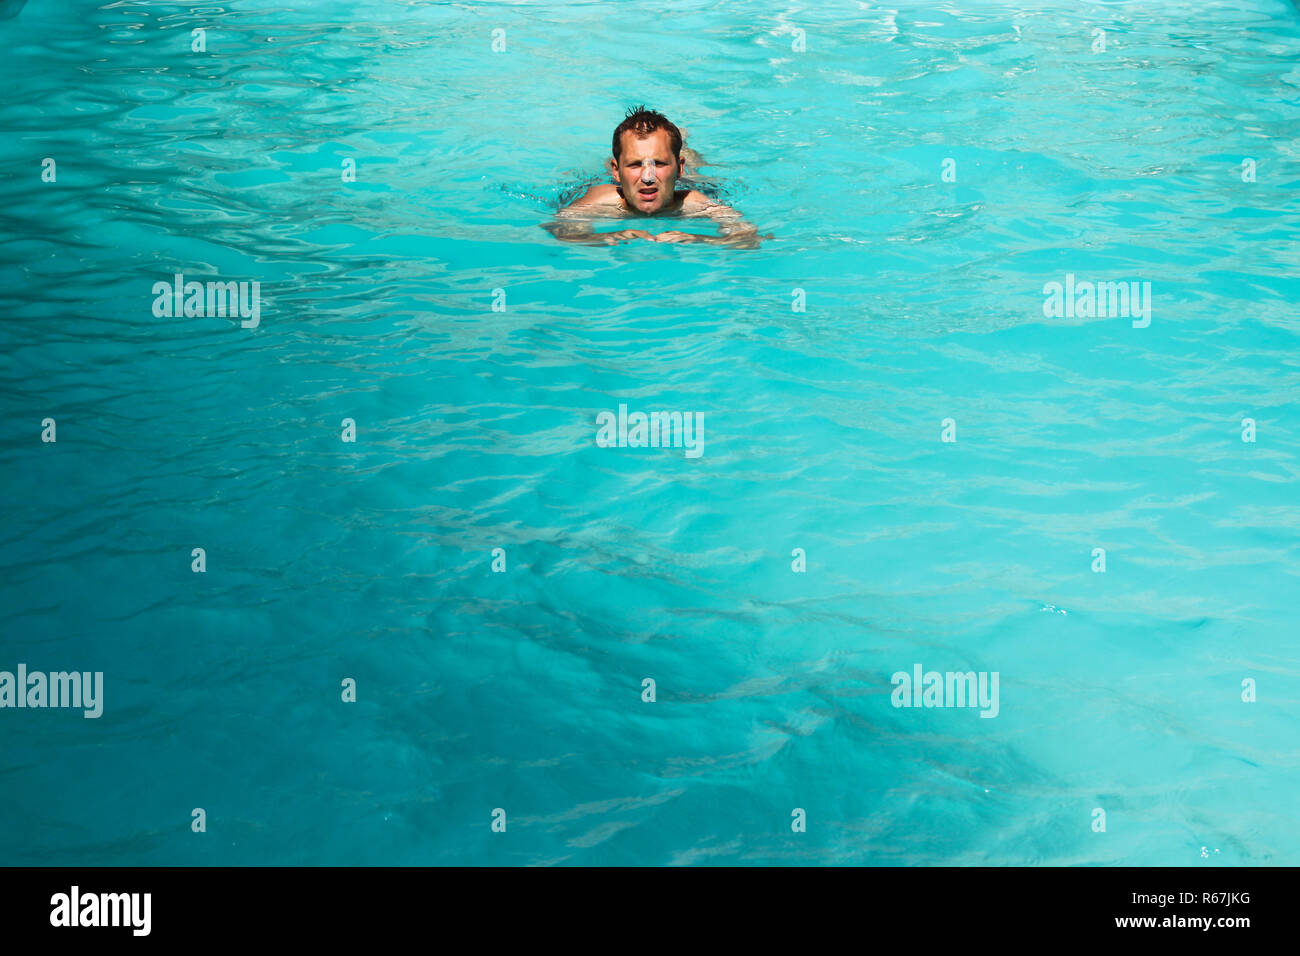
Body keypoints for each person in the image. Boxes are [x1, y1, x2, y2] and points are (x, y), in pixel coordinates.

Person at [543, 106, 765, 248]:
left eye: (658, 163)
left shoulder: (697, 204)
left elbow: (750, 239)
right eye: (635, 164)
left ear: (678, 169)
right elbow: (560, 230)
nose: (648, 178)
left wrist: (700, 239)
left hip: (683, 182)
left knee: (695, 173)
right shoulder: (600, 201)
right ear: (615, 171)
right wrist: (610, 237)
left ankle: (679, 143)